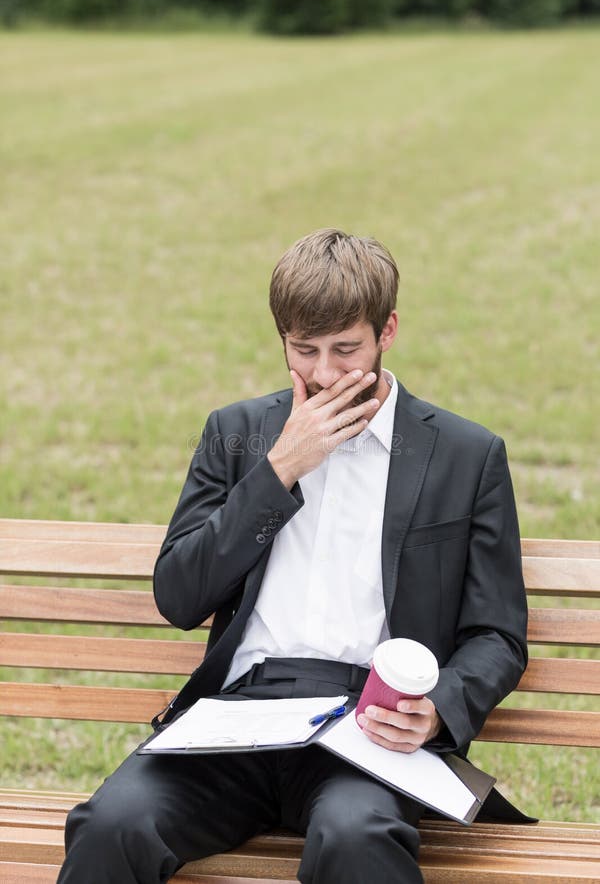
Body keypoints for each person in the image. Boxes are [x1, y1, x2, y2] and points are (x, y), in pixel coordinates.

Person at [59, 229, 529, 883]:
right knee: (112, 825)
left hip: (366, 730)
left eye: (346, 350)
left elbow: (497, 634)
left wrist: (440, 705)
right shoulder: (237, 435)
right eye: (305, 351)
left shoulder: (464, 454)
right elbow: (179, 596)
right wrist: (279, 471)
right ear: (282, 338)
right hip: (235, 721)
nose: (327, 373)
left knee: (356, 836)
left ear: (387, 330)